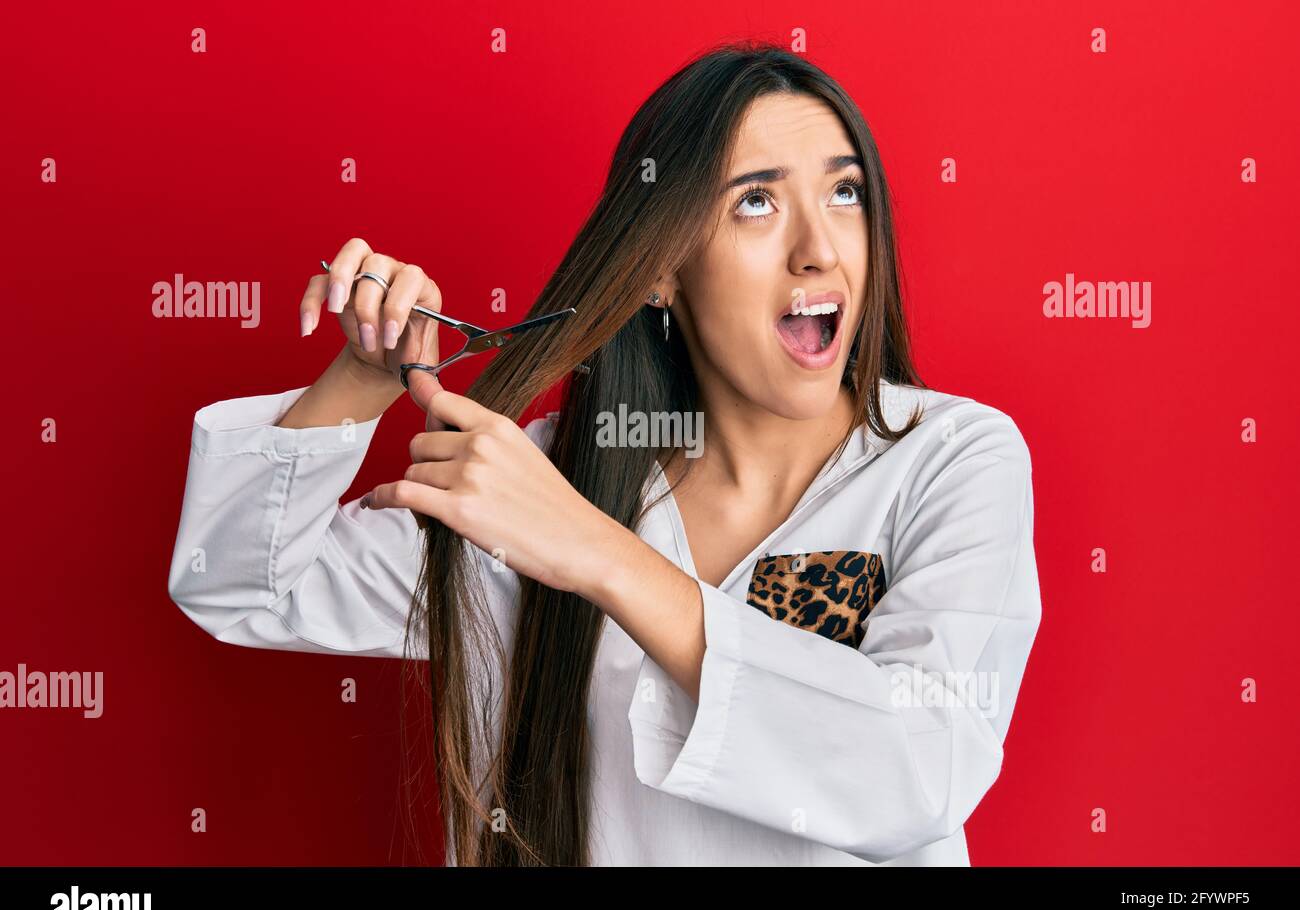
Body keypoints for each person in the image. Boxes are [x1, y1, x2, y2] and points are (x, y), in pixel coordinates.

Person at [168, 41, 1042, 867]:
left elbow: (921, 766)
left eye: (845, 193)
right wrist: (363, 379)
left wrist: (596, 553)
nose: (819, 248)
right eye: (756, 201)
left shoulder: (952, 459)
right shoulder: (535, 478)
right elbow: (239, 586)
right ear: (660, 268)